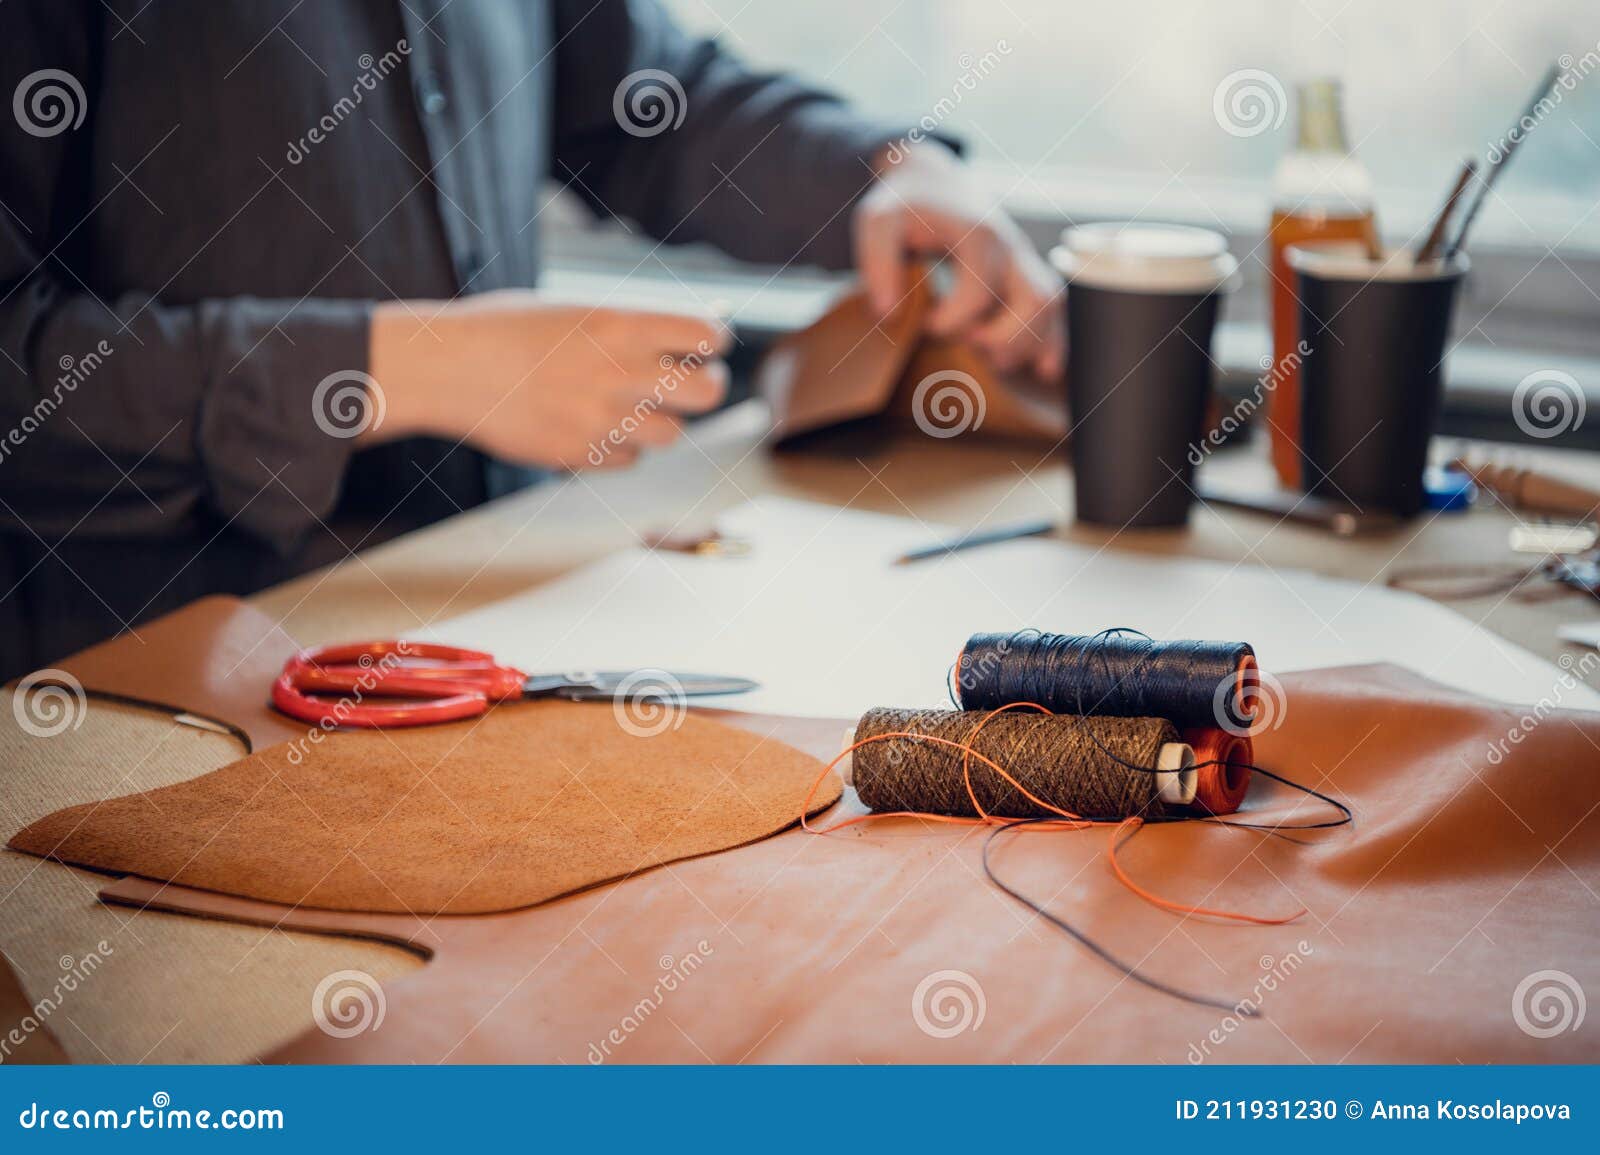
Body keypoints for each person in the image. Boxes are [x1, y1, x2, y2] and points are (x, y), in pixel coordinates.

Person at [0, 0, 1062, 678]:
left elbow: (645, 101)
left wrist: (886, 169)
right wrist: (396, 370)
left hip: (497, 617)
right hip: (137, 684)